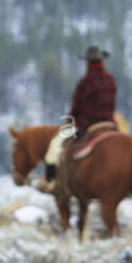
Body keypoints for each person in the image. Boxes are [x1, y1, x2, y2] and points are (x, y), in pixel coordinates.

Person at [38, 46, 117, 195]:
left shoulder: (85, 82)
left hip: (87, 125)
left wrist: (69, 121)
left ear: (88, 63)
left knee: (55, 144)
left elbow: (76, 107)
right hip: (110, 124)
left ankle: (50, 182)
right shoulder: (111, 80)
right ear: (102, 61)